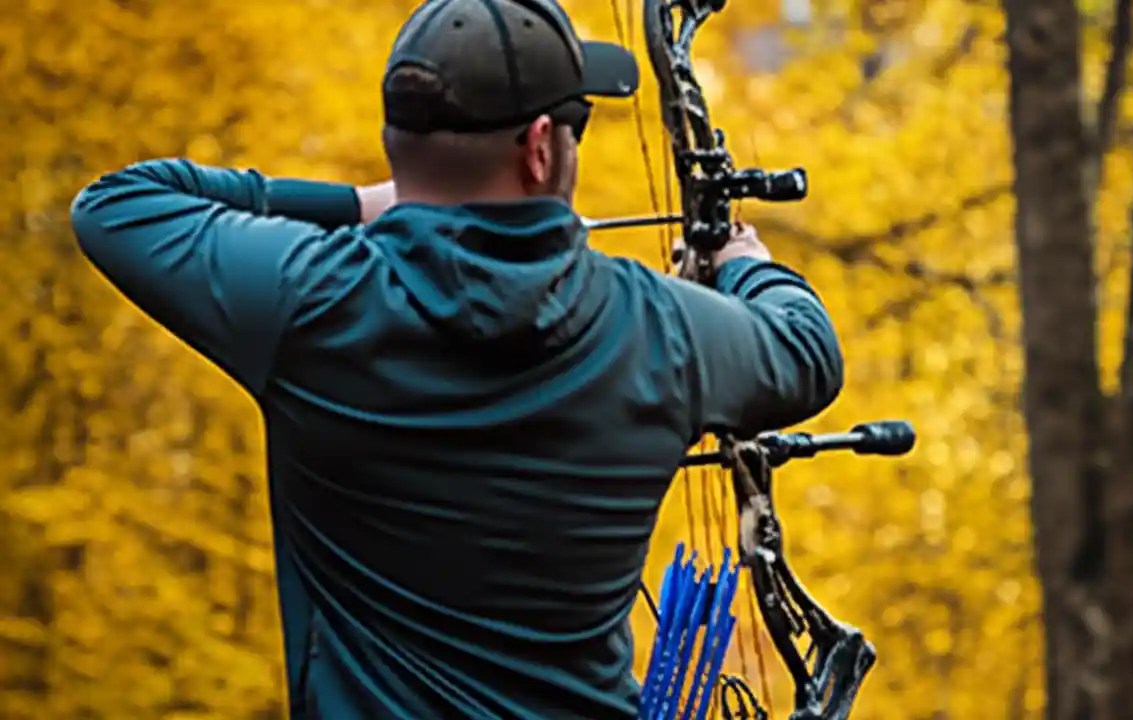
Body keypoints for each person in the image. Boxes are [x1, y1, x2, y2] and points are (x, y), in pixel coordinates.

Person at [69, 0, 844, 717]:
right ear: (540, 150)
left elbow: (120, 205)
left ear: (394, 141)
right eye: (575, 123)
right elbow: (807, 348)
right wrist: (743, 260)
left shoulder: (311, 305)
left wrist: (358, 203)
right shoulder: (659, 330)